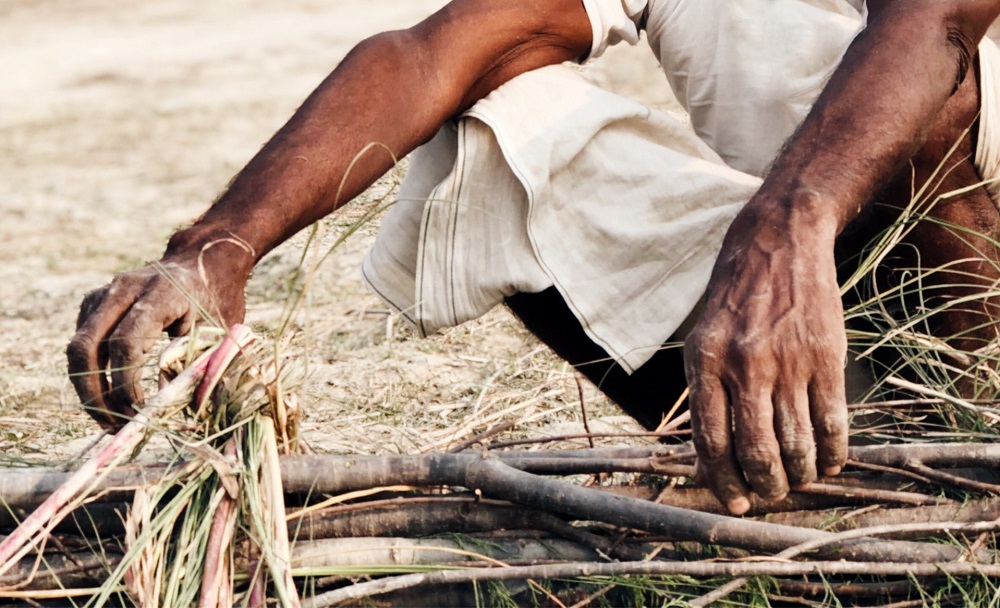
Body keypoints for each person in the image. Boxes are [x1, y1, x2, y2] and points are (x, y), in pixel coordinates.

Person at [67, 0, 1000, 516]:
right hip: (790, 310)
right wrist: (214, 248)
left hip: (968, 301)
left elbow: (938, 25)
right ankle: (777, 444)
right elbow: (432, 54)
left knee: (915, 84)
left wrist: (784, 226)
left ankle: (957, 441)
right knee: (483, 115)